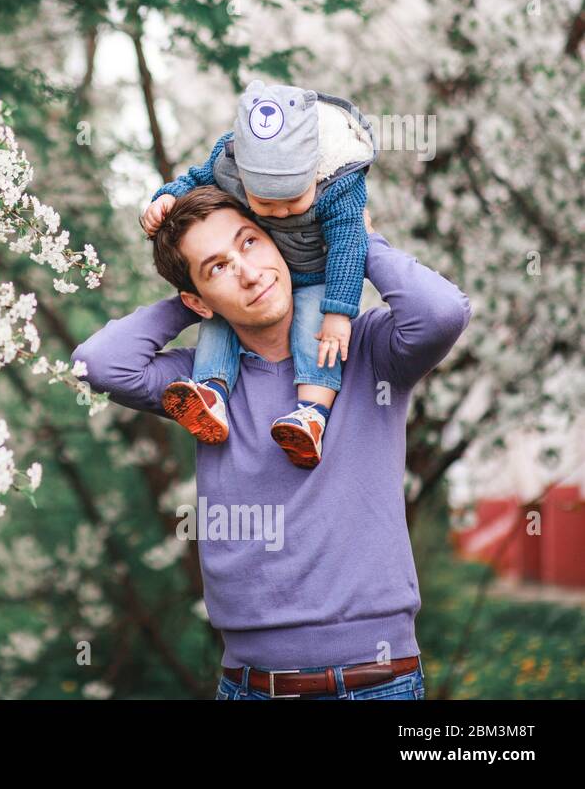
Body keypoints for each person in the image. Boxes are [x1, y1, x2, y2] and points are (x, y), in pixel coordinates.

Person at [71, 186, 471, 698]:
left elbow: (442, 312)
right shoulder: (201, 385)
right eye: (217, 267)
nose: (248, 271)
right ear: (196, 298)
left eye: (251, 243)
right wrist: (196, 305)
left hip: (378, 680)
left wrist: (353, 239)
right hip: (251, 685)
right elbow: (98, 364)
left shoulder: (367, 351)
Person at [140, 81, 376, 469]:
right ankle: (210, 393)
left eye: (293, 200)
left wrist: (339, 311)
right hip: (267, 272)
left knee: (316, 335)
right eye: (264, 203)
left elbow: (350, 249)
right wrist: (165, 198)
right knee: (218, 322)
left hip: (319, 276)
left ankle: (312, 414)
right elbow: (194, 180)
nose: (280, 212)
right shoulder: (229, 163)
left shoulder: (339, 183)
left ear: (313, 170)